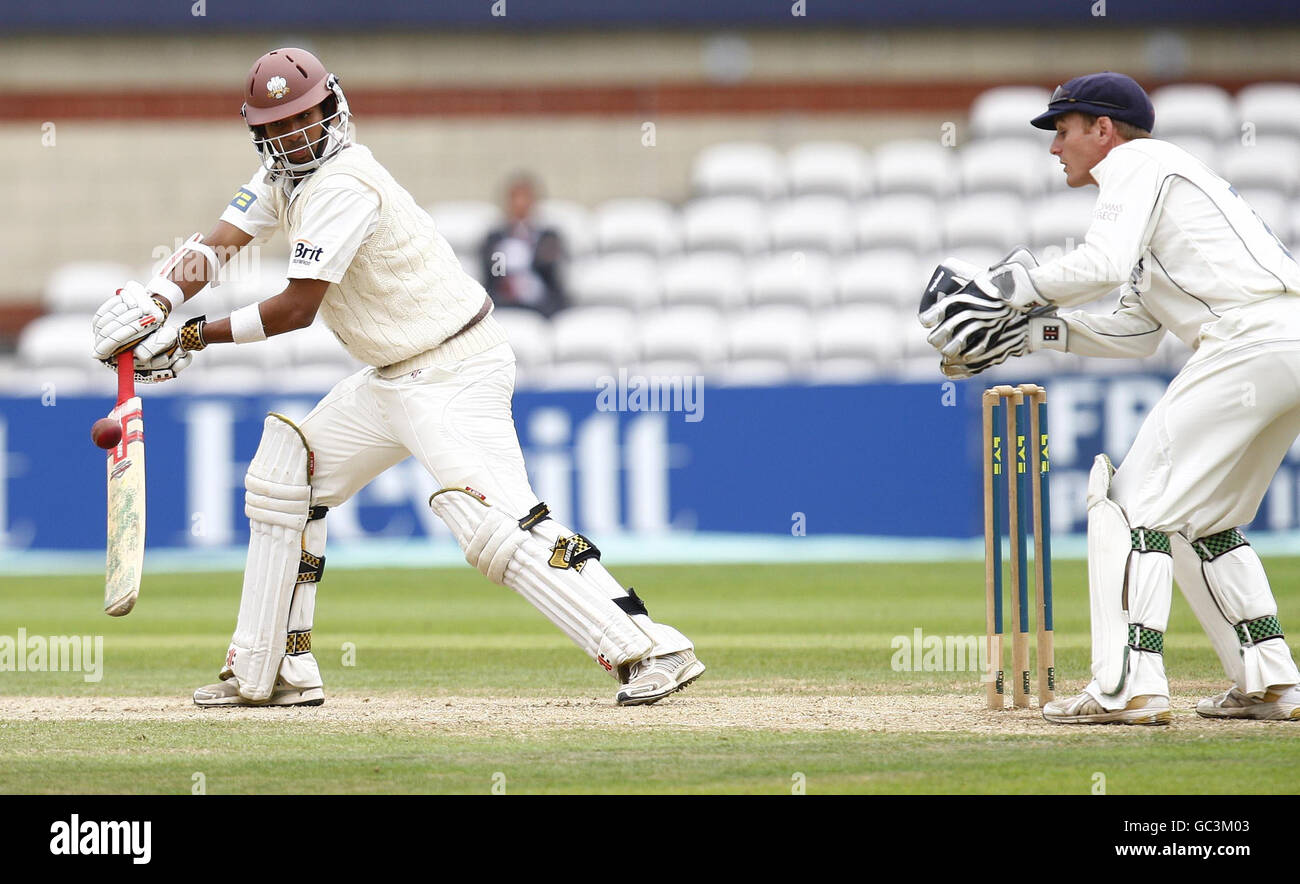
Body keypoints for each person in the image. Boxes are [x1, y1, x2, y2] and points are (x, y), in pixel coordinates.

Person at [89, 47, 704, 708]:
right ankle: (273, 668)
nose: (300, 131)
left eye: (309, 114)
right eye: (283, 124)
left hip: (454, 368)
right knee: (284, 471)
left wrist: (189, 336)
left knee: (494, 524)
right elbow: (215, 246)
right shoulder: (279, 180)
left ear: (332, 107)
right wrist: (156, 301)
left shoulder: (345, 182)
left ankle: (649, 644)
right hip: (390, 378)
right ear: (261, 134)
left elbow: (298, 308)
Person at [920, 72, 1300, 725]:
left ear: (1103, 129)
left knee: (1126, 504)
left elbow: (1097, 264)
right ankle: (1270, 681)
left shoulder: (1135, 160)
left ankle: (1127, 687)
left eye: (1063, 131)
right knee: (1201, 522)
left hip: (1249, 342)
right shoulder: (1164, 190)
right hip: (1280, 346)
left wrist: (1004, 289)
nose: (1054, 148)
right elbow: (1135, 337)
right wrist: (1028, 331)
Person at [480, 173, 568, 317]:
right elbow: (495, 274)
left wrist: (529, 250)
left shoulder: (548, 237)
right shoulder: (495, 238)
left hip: (540, 305)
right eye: (515, 198)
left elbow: (550, 271)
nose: (520, 203)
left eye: (525, 197)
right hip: (504, 303)